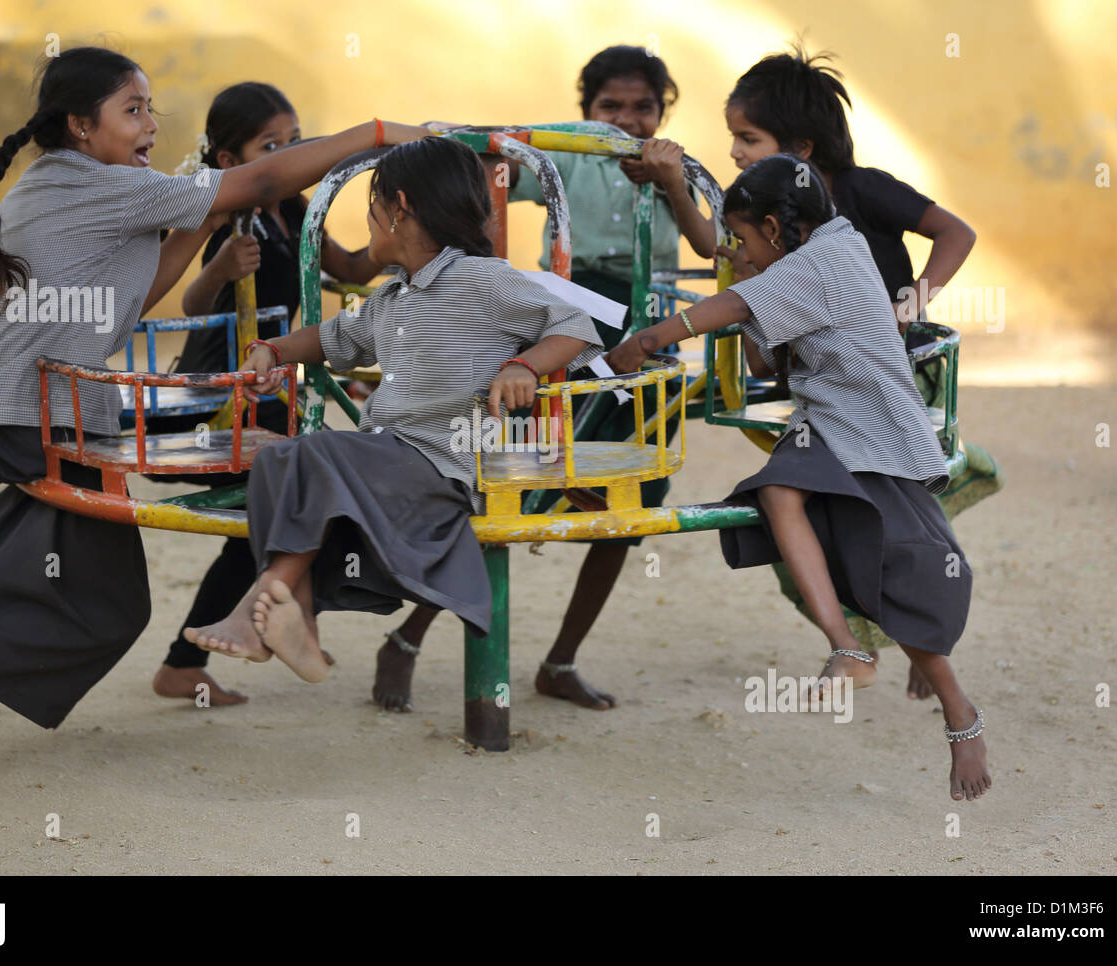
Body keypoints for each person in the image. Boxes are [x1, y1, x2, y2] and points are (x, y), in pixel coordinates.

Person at [0, 45, 427, 758]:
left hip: (1, 402)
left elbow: (136, 298)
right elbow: (267, 180)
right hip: (31, 403)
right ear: (79, 126)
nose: (149, 125)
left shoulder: (60, 181)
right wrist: (377, 133)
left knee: (44, 511)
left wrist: (200, 221)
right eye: (131, 111)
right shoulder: (106, 187)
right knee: (110, 601)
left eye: (150, 110)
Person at [608, 154, 990, 802]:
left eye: (747, 238)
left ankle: (957, 712)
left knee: (885, 561)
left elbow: (730, 304)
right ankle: (855, 649)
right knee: (816, 522)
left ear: (777, 229)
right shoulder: (817, 251)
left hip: (869, 430)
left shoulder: (828, 256)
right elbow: (757, 330)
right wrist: (729, 248)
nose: (740, 251)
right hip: (829, 427)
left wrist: (648, 341)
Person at [181, 136, 604, 682]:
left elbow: (575, 325)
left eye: (372, 212)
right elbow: (334, 338)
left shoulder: (483, 279)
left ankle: (265, 612)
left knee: (312, 454)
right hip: (388, 462)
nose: (369, 227)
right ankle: (297, 619)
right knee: (278, 461)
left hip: (441, 467)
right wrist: (276, 351)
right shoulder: (391, 297)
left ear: (400, 210)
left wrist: (523, 367)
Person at [374, 44, 715, 714]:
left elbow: (707, 241)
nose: (628, 120)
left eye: (643, 107)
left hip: (645, 338)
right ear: (585, 110)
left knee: (630, 500)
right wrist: (466, 140)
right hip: (571, 324)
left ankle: (560, 660)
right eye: (610, 106)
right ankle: (409, 637)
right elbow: (493, 168)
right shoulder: (568, 155)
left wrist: (671, 179)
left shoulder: (674, 168)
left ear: (662, 111)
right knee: (515, 491)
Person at [722, 44, 992, 698]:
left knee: (878, 514)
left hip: (884, 382)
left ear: (802, 149)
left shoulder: (861, 192)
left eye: (747, 138)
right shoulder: (771, 223)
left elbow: (956, 232)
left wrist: (913, 300)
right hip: (822, 393)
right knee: (817, 512)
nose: (733, 152)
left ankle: (900, 637)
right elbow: (757, 321)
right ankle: (873, 638)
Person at [149, 82, 382, 707]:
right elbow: (194, 304)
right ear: (229, 161)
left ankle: (235, 641)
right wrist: (222, 269)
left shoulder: (301, 208)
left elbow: (353, 270)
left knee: (279, 509)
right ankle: (269, 628)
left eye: (294, 140)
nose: (288, 153)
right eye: (270, 145)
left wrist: (402, 244)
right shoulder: (225, 212)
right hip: (219, 394)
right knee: (283, 506)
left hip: (273, 385)